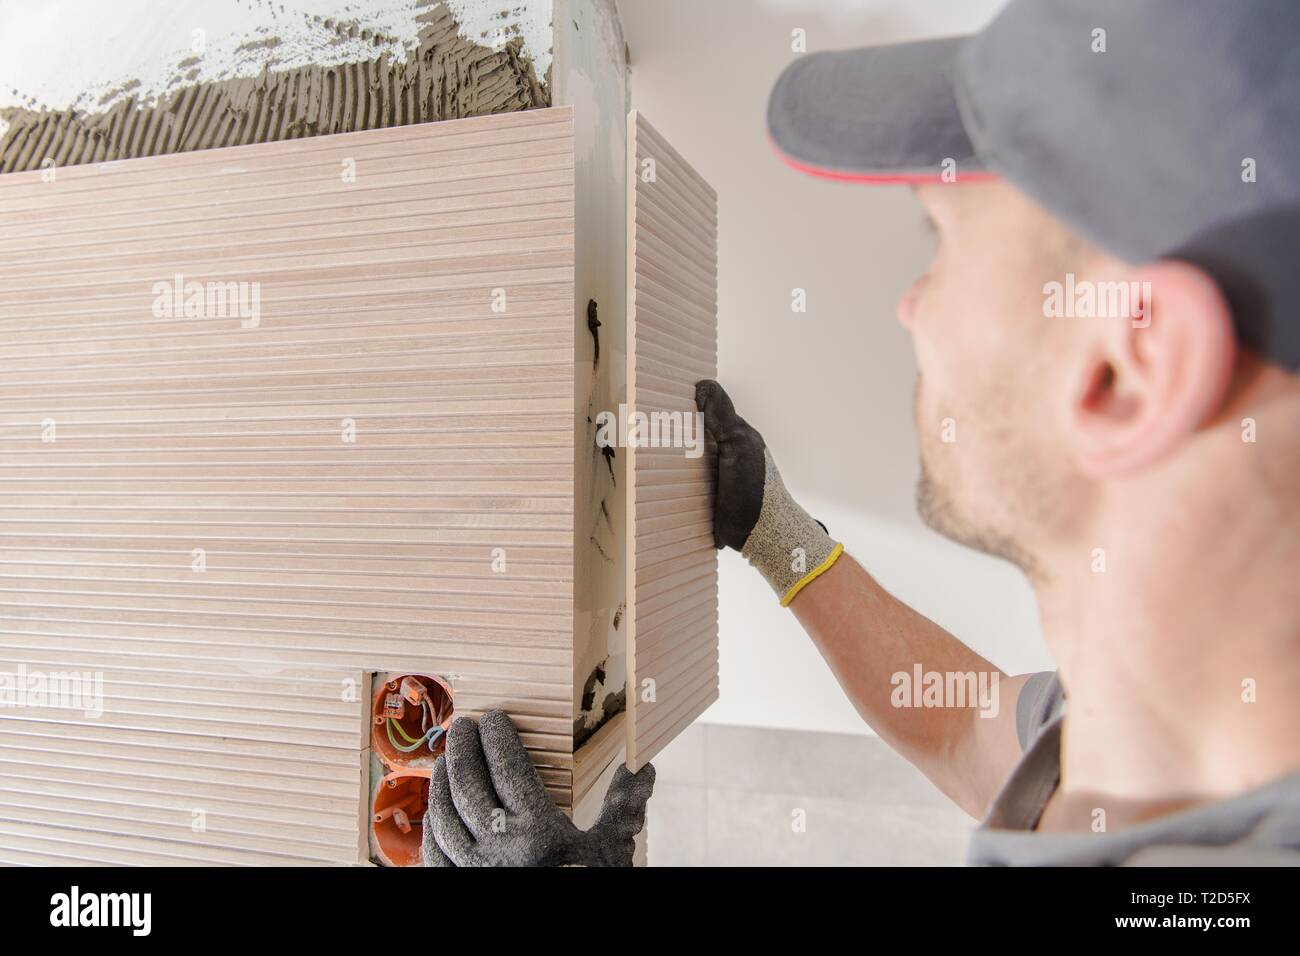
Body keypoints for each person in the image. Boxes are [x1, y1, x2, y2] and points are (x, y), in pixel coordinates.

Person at [422, 0, 1300, 865]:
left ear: (1130, 370)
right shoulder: (1149, 729)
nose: (912, 306)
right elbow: (963, 730)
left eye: (942, 239)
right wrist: (780, 537)